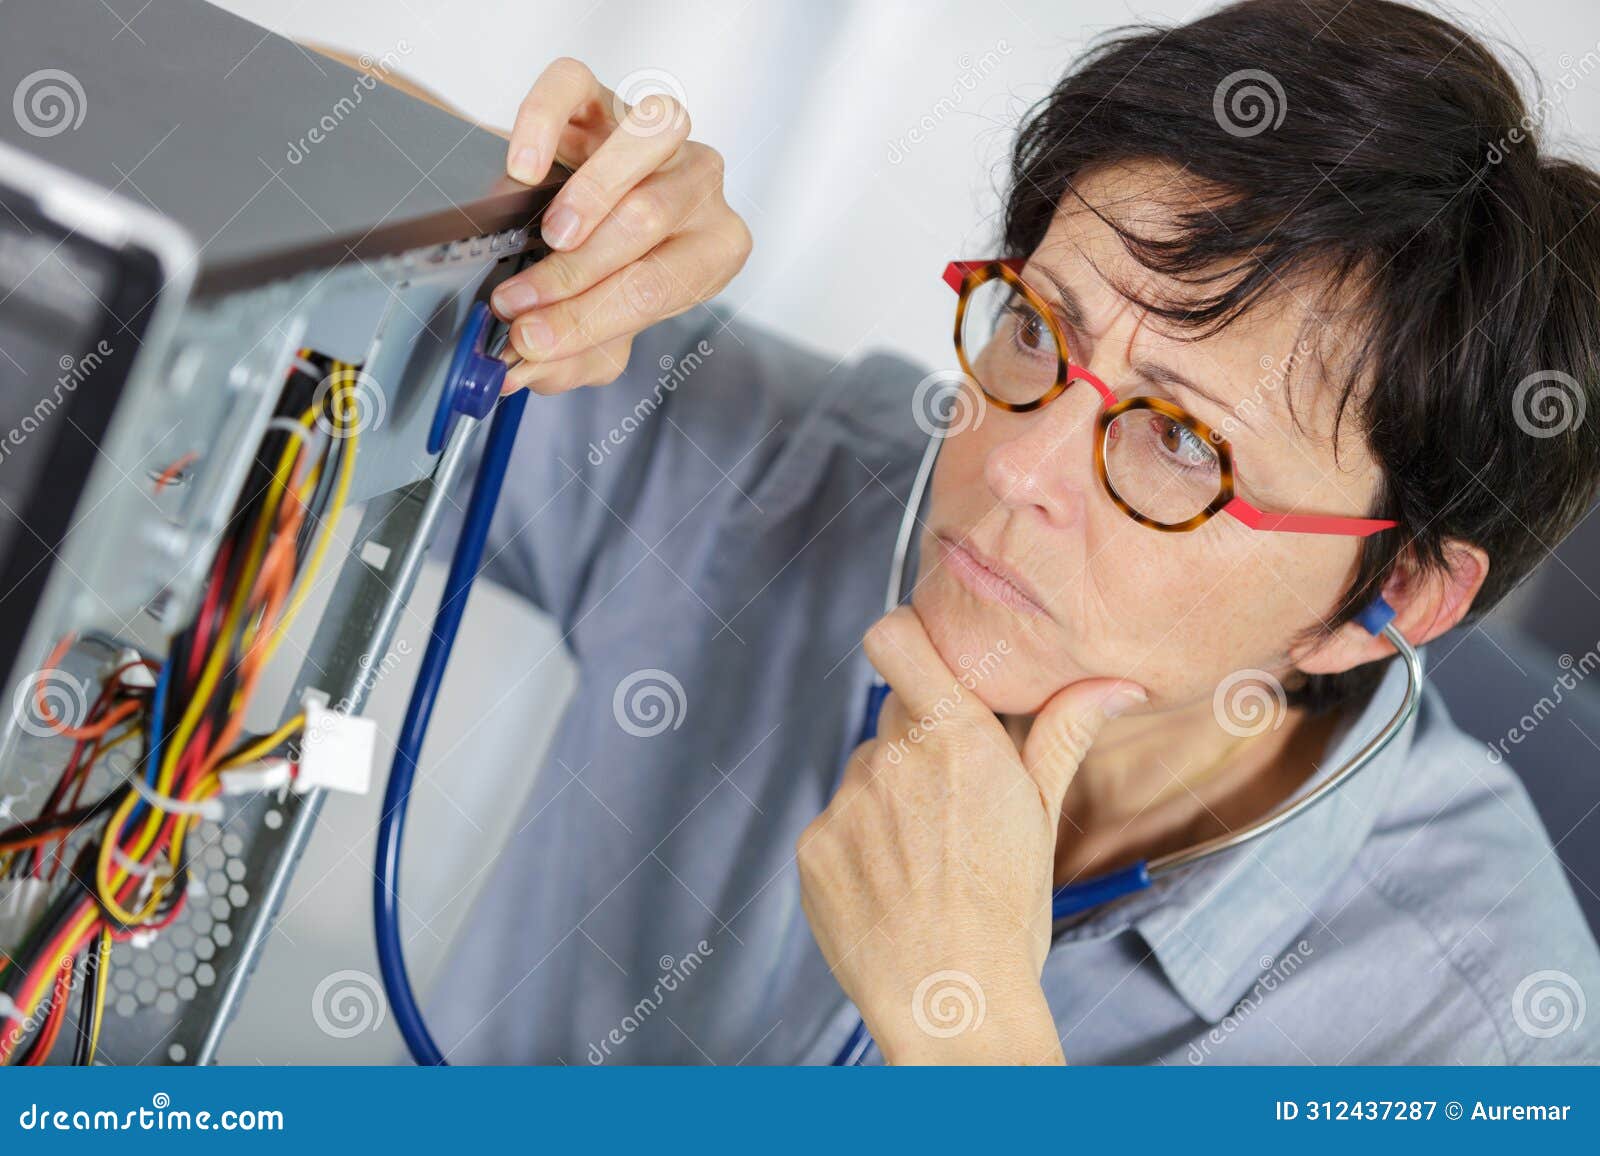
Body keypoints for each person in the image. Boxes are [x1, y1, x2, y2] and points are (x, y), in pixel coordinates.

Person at [426, 0, 1600, 1063]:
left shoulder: (1486, 1037)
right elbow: (271, 278)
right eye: (1037, 329)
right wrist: (522, 219)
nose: (1016, 463)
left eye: (1183, 443)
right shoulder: (796, 471)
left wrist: (972, 1039)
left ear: (1393, 597)